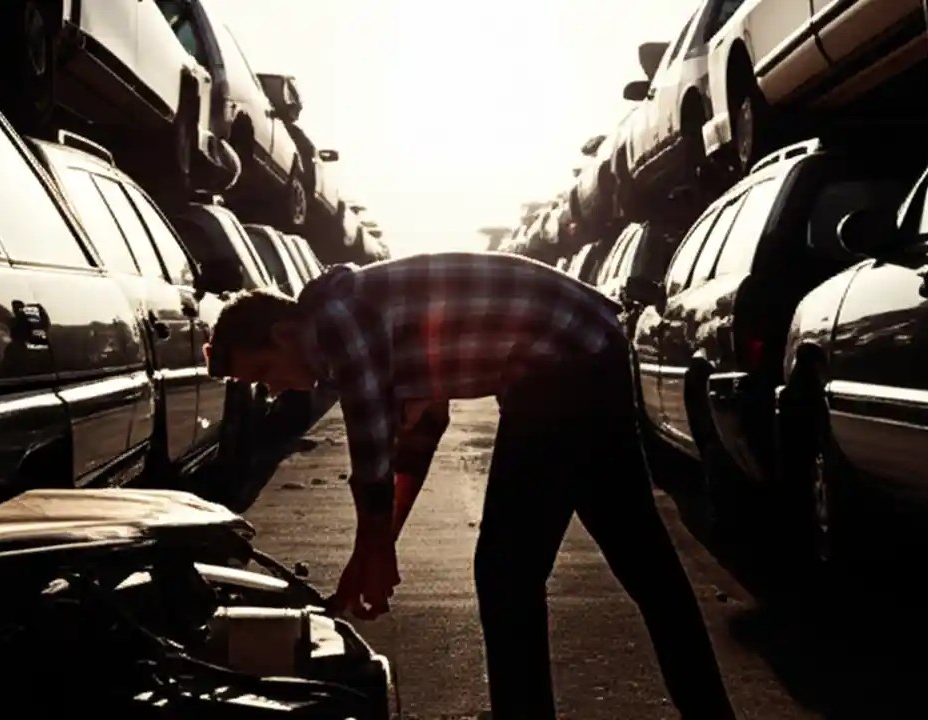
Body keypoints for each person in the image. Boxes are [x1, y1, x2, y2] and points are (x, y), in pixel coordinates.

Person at [204, 252, 734, 719]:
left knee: (508, 573)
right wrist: (378, 548)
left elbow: (371, 456)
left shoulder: (339, 323)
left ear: (282, 334)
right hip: (584, 349)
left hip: (562, 359)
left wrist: (373, 554)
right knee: (642, 559)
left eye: (262, 372)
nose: (271, 390)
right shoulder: (354, 310)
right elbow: (421, 431)